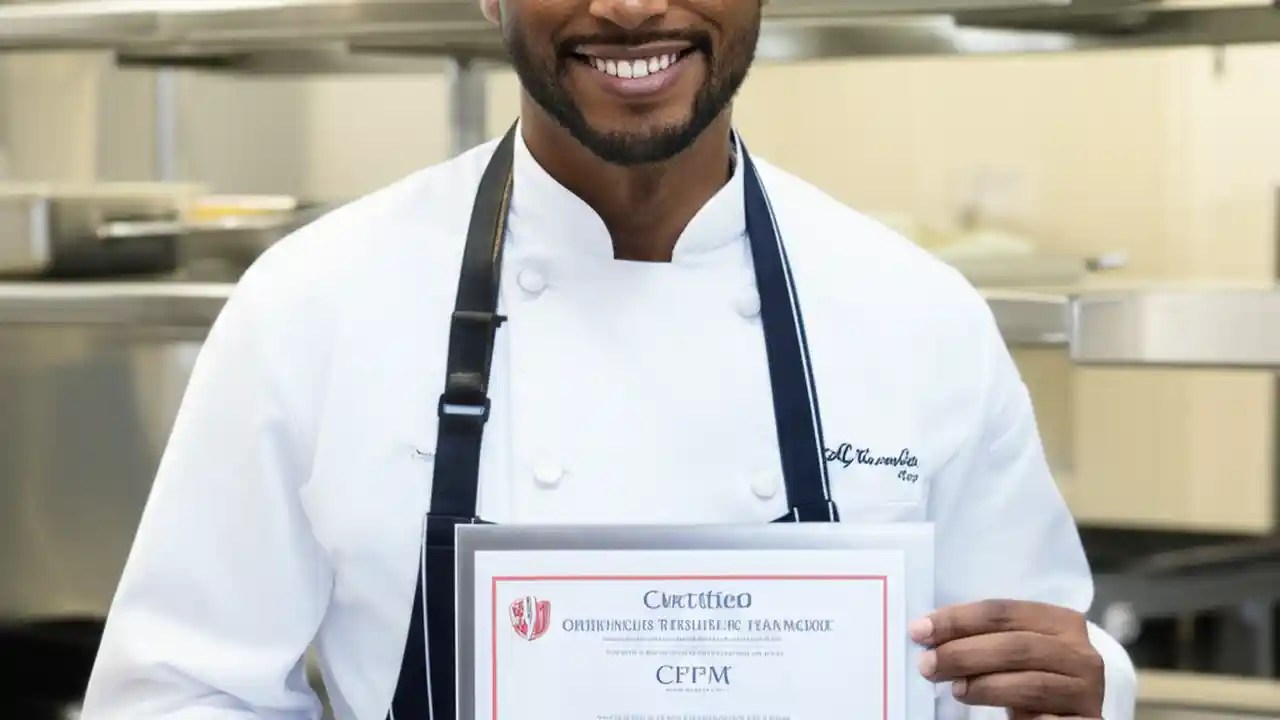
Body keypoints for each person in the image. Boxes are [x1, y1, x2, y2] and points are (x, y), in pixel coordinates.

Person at [80, 0, 1137, 715]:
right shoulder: (311, 304)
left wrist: (1090, 690)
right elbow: (175, 691)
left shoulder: (915, 314)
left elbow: (1035, 667)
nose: (632, 6)